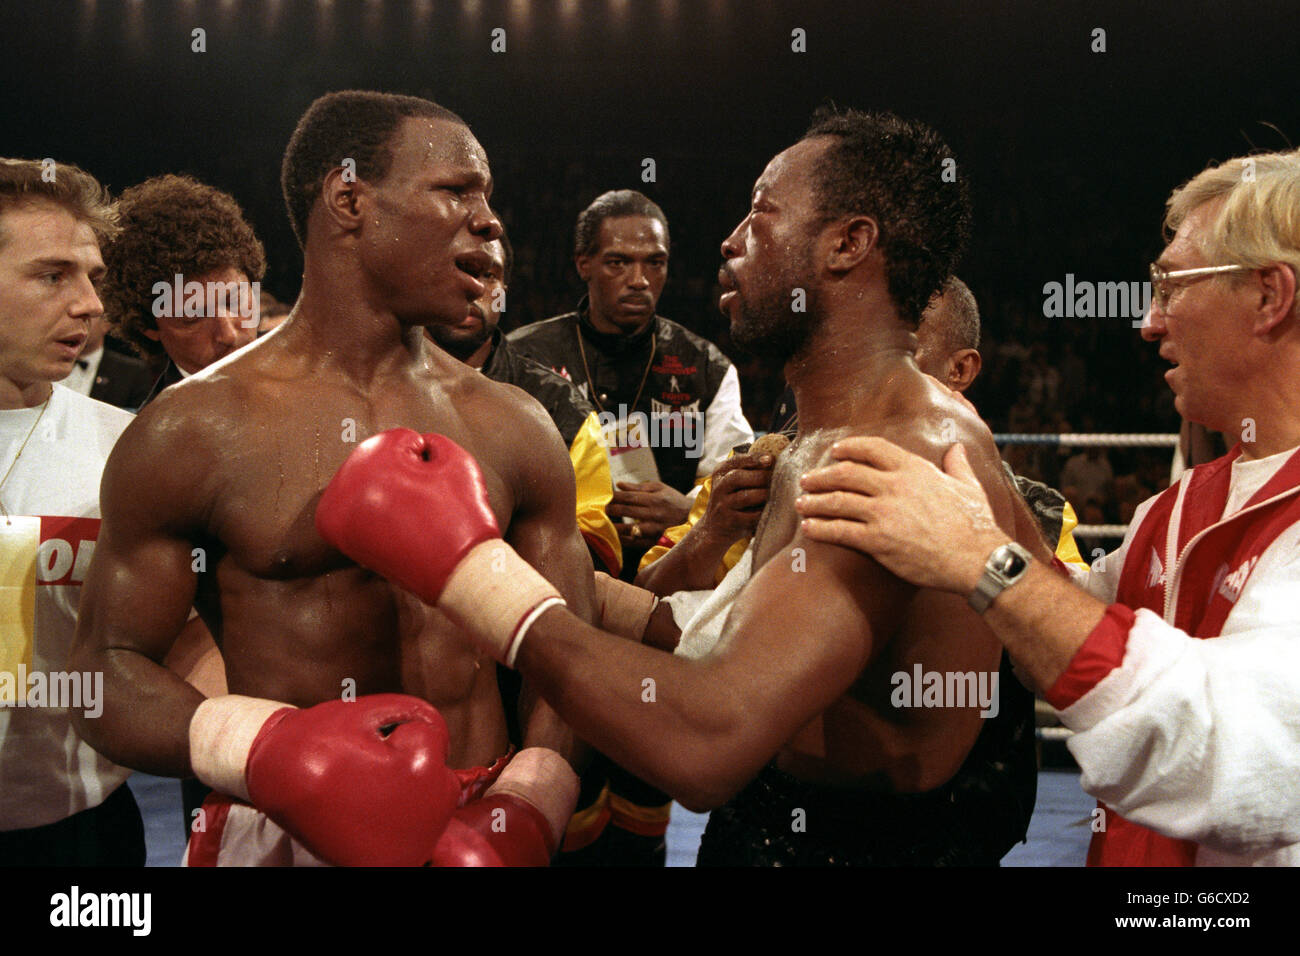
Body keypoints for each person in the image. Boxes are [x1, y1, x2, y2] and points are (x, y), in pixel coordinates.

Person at [321, 108, 1048, 865]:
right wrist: (546, 571)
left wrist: (472, 576)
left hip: (848, 845)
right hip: (791, 823)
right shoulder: (826, 439)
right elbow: (722, 633)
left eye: (763, 211)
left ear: (848, 244)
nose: (732, 239)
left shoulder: (895, 454)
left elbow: (709, 738)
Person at [70, 90, 592, 866]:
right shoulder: (192, 429)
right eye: (457, 191)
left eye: (490, 199)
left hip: (483, 818)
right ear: (348, 197)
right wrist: (271, 750)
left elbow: (571, 654)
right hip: (283, 824)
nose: (490, 222)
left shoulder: (513, 422)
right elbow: (105, 671)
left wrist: (530, 801)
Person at [794, 148, 1300, 866]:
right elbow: (1061, 634)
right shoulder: (1181, 503)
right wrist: (975, 497)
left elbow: (1234, 764)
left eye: (1172, 285)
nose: (1150, 323)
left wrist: (981, 558)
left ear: (1269, 296)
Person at [0, 158, 144, 866]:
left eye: (92, 276)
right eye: (54, 275)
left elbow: (192, 638)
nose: (91, 304)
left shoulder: (127, 448)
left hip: (81, 837)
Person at [507, 190, 754, 574]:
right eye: (618, 262)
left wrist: (686, 511)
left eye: (655, 262)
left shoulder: (707, 366)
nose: (639, 280)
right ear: (583, 264)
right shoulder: (522, 357)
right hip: (551, 572)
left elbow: (734, 485)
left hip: (673, 574)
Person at [427, 232, 621, 576]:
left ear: (505, 290)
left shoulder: (559, 406)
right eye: (458, 268)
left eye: (488, 275)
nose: (472, 288)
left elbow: (593, 554)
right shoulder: (372, 382)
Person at [100, 174, 265, 406]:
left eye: (234, 301)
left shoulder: (321, 369)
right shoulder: (149, 438)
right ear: (147, 327)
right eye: (194, 316)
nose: (228, 334)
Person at [63, 314, 153, 410]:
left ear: (106, 323)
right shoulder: (47, 362)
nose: (75, 324)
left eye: (85, 317)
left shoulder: (133, 373)